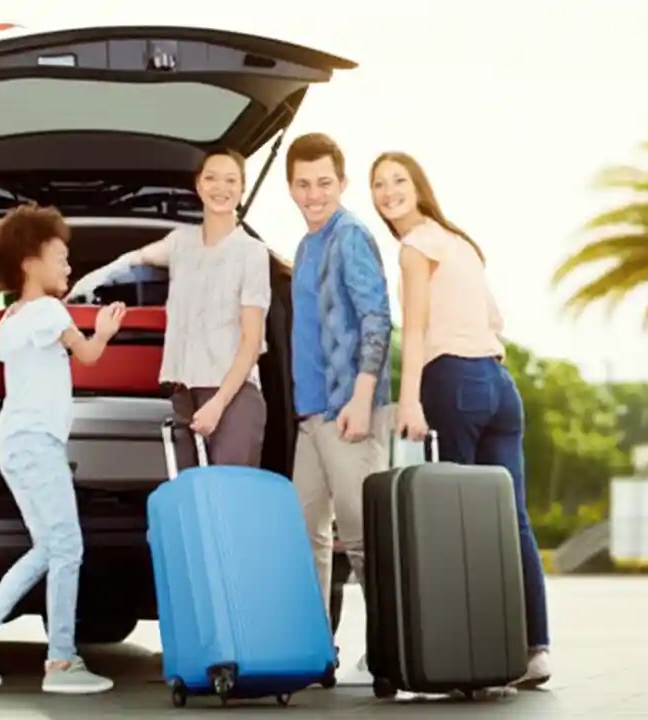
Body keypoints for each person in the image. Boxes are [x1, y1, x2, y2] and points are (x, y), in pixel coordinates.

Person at [370, 150, 551, 689]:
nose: (388, 192)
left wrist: (409, 401)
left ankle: (470, 651)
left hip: (453, 379)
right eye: (379, 185)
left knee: (458, 524)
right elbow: (495, 317)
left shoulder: (414, 245)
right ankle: (534, 648)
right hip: (499, 385)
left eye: (398, 180)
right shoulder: (459, 241)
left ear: (419, 186)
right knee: (511, 518)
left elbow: (417, 328)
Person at [0, 203, 126, 694]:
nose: (69, 266)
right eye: (61, 256)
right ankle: (57, 660)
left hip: (13, 443)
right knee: (67, 547)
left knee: (50, 546)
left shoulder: (8, 321)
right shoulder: (49, 311)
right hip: (35, 443)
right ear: (29, 262)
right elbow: (86, 354)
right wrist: (105, 331)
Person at [65, 149, 272, 467]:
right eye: (212, 178)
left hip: (232, 395)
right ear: (199, 185)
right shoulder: (180, 242)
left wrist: (218, 404)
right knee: (191, 500)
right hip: (183, 394)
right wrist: (81, 288)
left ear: (242, 188)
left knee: (228, 499)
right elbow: (135, 259)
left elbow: (251, 341)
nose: (221, 187)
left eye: (231, 180)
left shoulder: (252, 253)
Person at [284, 132, 392, 685]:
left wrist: (362, 395)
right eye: (302, 184)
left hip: (349, 408)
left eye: (323, 182)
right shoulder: (307, 247)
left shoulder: (351, 236)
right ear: (291, 189)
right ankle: (315, 650)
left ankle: (392, 650)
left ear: (341, 183)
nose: (313, 193)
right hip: (312, 415)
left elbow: (377, 318)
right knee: (308, 535)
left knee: (363, 537)